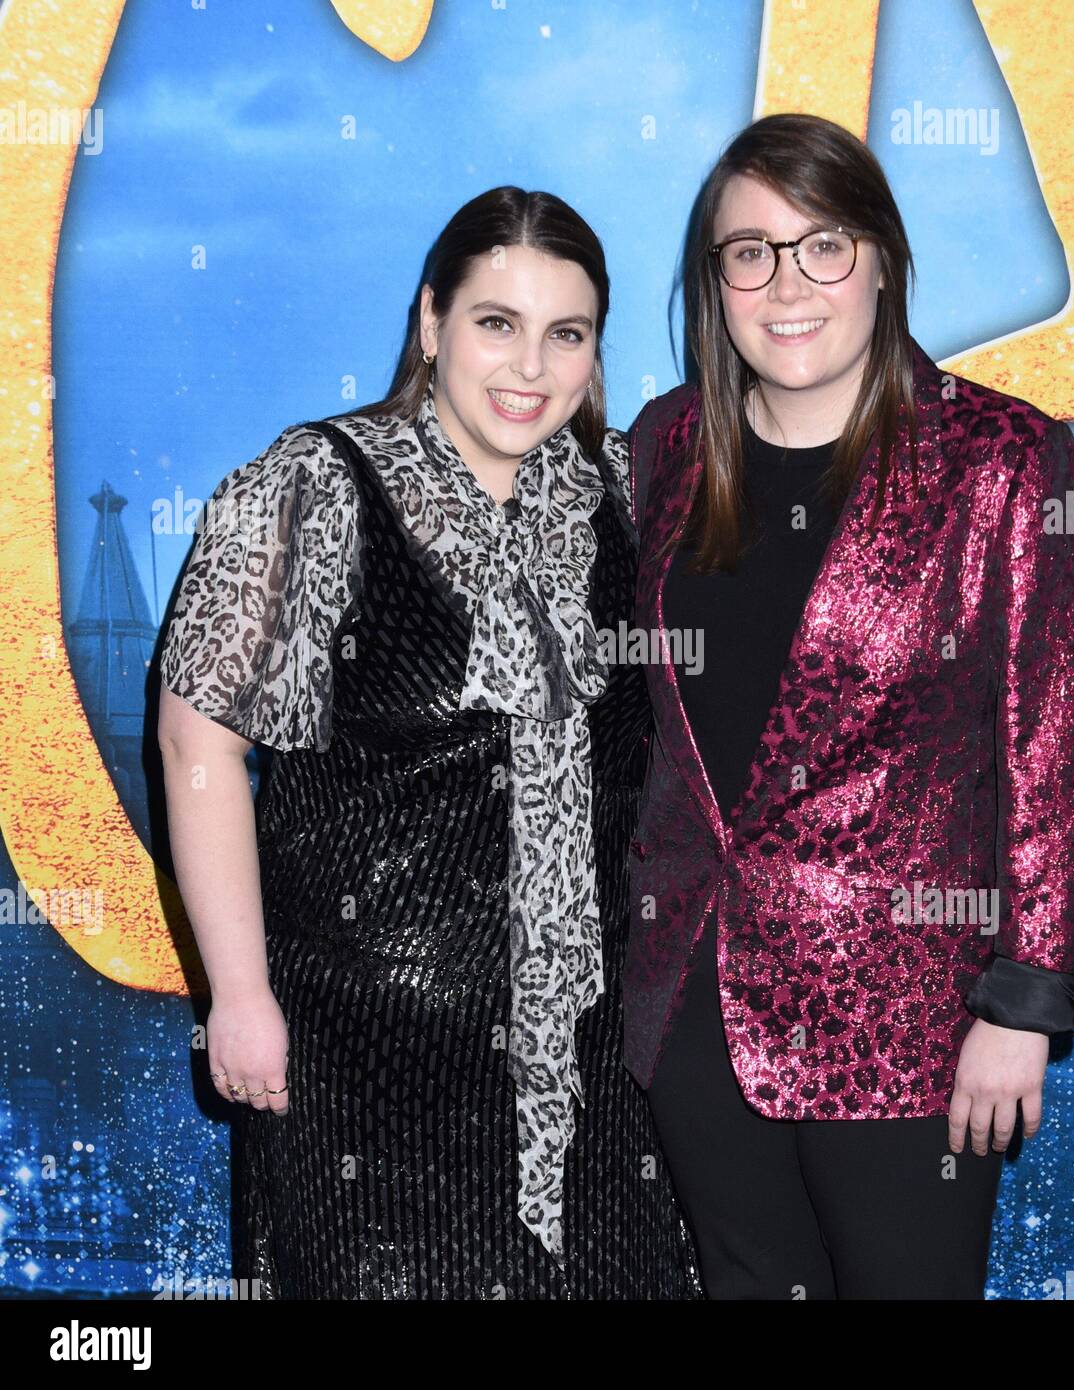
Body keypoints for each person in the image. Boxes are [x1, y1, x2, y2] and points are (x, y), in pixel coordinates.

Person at [157, 186, 700, 1300]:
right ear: (429, 324)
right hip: (367, 1056)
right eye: (495, 322)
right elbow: (194, 742)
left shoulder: (628, 499)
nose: (530, 366)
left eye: (567, 333)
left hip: (589, 1064)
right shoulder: (312, 484)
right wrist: (240, 993)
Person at [622, 113, 1074, 1300]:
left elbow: (1056, 746)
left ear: (884, 260)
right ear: (714, 281)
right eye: (750, 251)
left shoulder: (1001, 456)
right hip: (693, 998)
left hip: (910, 1023)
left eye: (822, 245)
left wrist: (1024, 1002)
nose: (786, 285)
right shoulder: (666, 445)